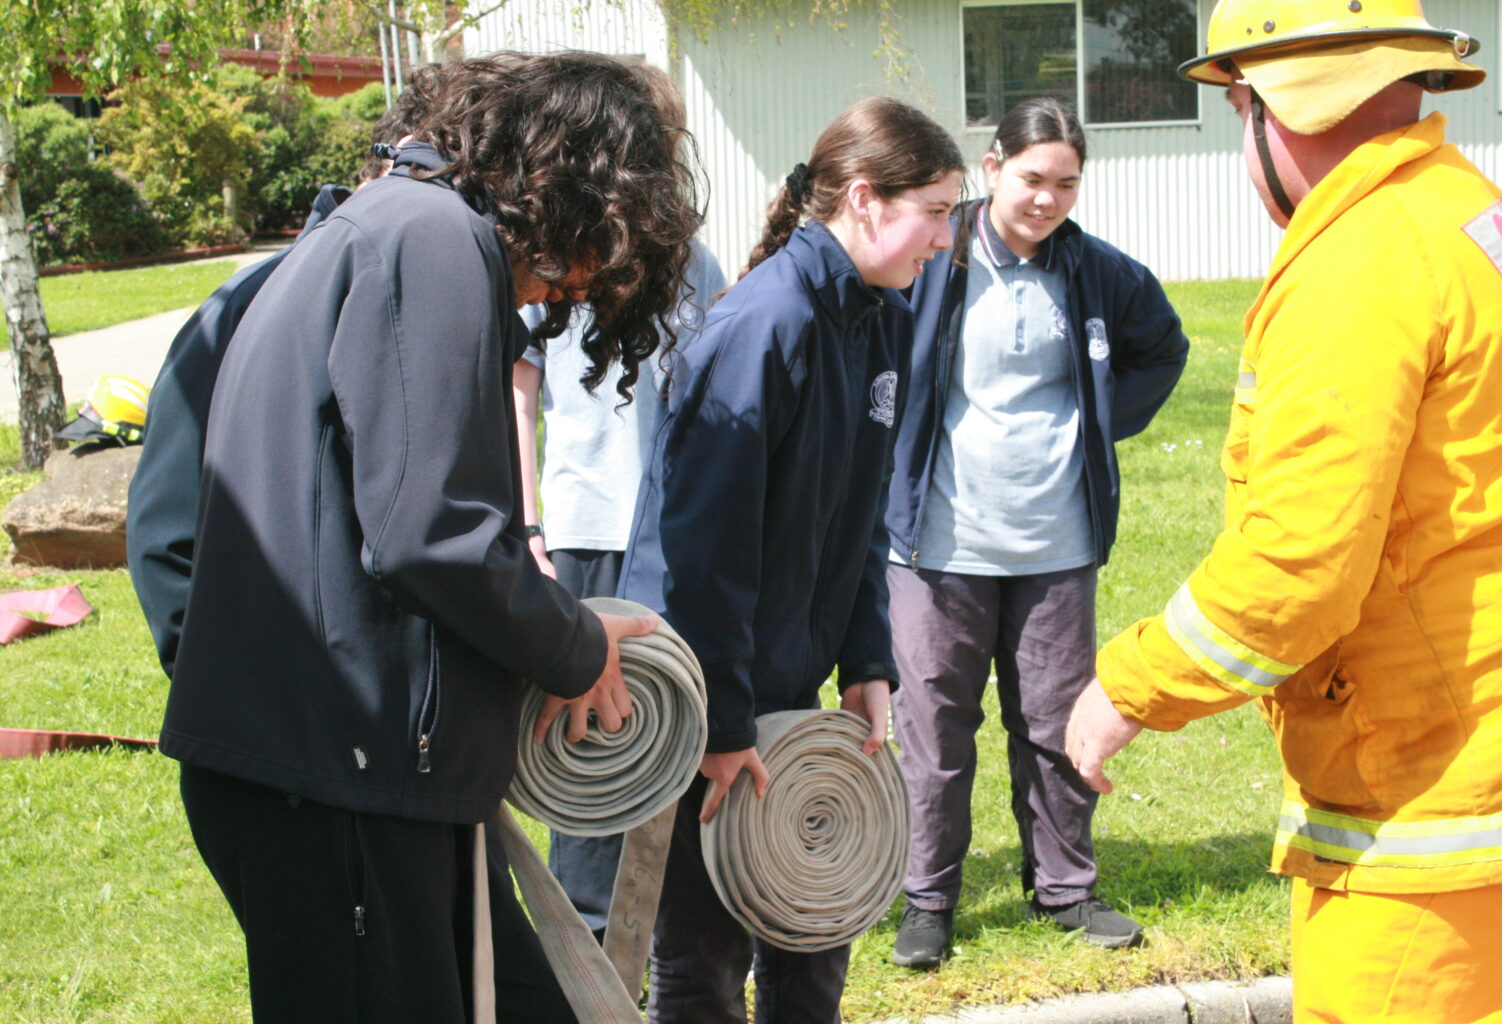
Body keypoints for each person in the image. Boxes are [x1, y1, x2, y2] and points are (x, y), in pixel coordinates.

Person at [153, 52, 701, 1024]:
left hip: (350, 775)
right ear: (580, 187)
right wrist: (575, 647)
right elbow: (432, 530)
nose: (565, 296)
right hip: (334, 783)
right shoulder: (434, 240)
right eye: (583, 270)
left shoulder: (386, 225)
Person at [1064, 1, 1502, 1021]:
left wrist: (1126, 687)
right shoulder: (1474, 212)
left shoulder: (1358, 266)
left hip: (1434, 814)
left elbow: (1296, 571)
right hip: (1498, 773)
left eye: (1237, 106)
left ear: (1269, 105)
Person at [619, 95, 965, 1024]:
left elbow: (859, 521)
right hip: (700, 704)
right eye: (934, 211)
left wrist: (868, 663)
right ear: (864, 199)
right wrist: (724, 725)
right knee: (701, 962)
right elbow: (704, 554)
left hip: (785, 691)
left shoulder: (878, 316)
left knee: (812, 935)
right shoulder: (763, 327)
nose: (945, 238)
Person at [884, 97, 1187, 966]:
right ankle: (927, 901)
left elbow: (1163, 348)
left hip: (1055, 546)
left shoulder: (1093, 270)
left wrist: (1093, 426)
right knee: (933, 733)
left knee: (1055, 725)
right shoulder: (936, 256)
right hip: (936, 548)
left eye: (1065, 183)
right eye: (1030, 179)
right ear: (991, 168)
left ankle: (1064, 888)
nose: (1047, 199)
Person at [127, 64, 443, 677]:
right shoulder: (248, 304)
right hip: (274, 708)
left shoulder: (432, 304)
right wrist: (218, 680)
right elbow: (165, 530)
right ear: (390, 163)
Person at [515, 235, 726, 937]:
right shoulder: (562, 251)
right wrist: (528, 525)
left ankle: (671, 923)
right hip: (585, 526)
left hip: (676, 532)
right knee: (586, 739)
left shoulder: (695, 263)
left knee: (673, 726)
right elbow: (520, 392)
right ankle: (584, 933)